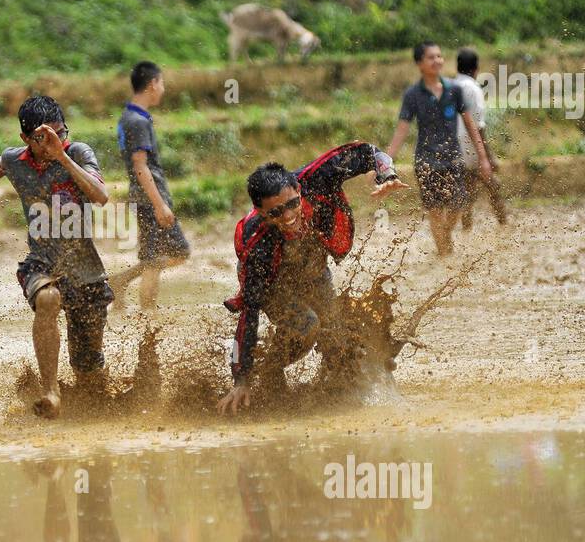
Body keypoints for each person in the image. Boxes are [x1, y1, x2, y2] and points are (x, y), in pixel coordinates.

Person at [216, 146, 406, 417]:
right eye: (276, 212)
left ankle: (340, 396)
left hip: (313, 271)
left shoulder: (318, 177)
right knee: (307, 325)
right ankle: (268, 372)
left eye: (292, 204)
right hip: (274, 283)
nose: (288, 216)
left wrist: (387, 175)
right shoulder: (255, 244)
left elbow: (368, 152)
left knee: (339, 336)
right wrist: (240, 380)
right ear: (260, 211)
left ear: (297, 188)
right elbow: (249, 315)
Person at [0, 96, 111, 419]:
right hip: (42, 261)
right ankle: (50, 391)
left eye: (61, 132)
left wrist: (61, 157)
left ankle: (87, 396)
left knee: (88, 372)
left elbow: (100, 195)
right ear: (26, 139)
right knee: (48, 298)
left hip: (85, 269)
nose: (57, 141)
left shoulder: (78, 153)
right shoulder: (19, 160)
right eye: (46, 138)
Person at [386, 41, 490, 257]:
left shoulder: (455, 90)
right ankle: (444, 257)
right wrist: (385, 163)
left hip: (453, 158)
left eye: (439, 56)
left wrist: (483, 158)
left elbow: (471, 126)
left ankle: (444, 235)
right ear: (419, 64)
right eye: (431, 57)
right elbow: (401, 131)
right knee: (434, 210)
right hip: (426, 162)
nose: (437, 61)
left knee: (457, 205)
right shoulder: (413, 95)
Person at [109, 62, 190, 312]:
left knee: (177, 252)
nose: (163, 89)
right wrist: (159, 204)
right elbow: (140, 165)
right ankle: (148, 318)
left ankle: (121, 281)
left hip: (146, 196)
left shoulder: (130, 116)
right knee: (154, 260)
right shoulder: (137, 121)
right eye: (162, 83)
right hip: (149, 198)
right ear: (153, 84)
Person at [454, 47, 507, 230]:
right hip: (471, 147)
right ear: (476, 68)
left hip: (455, 147)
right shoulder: (473, 88)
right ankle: (504, 225)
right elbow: (477, 126)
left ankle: (466, 229)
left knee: (468, 189)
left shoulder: (453, 86)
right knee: (493, 186)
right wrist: (488, 156)